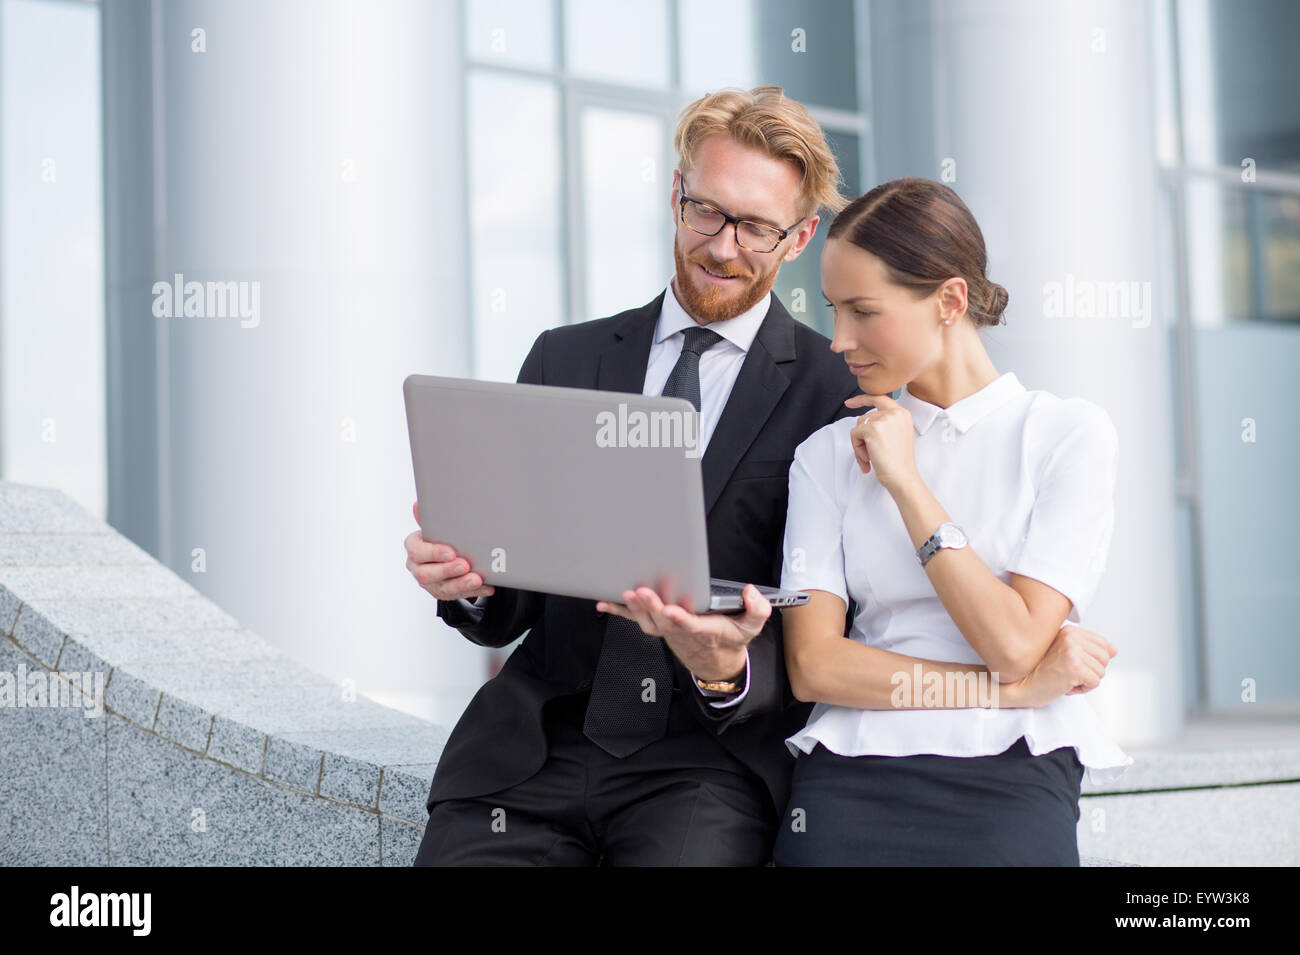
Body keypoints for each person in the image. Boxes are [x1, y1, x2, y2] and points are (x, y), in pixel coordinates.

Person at [405, 89, 1114, 866]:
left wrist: (729, 670)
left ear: (799, 236)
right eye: (706, 211)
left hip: (707, 767)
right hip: (531, 753)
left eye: (756, 226)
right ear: (675, 196)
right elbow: (515, 595)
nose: (724, 245)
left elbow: (826, 642)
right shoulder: (565, 358)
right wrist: (471, 581)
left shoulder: (835, 394)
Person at [771, 177, 1132, 867]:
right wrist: (1011, 691)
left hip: (1010, 771)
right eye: (832, 310)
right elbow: (814, 666)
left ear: (950, 300)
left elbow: (1014, 642)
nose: (839, 339)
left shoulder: (1065, 435)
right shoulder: (825, 456)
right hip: (851, 772)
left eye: (863, 311)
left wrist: (908, 485)